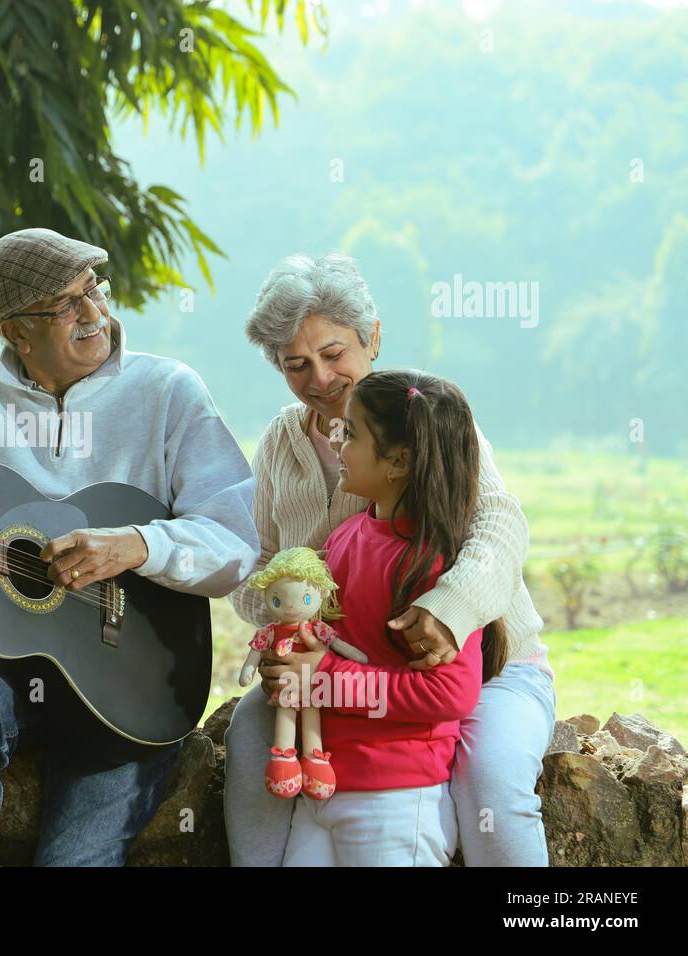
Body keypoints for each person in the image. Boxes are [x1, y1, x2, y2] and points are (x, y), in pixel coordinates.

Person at [0, 227, 260, 866]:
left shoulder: (170, 392)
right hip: (10, 660)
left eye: (94, 290)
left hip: (137, 680)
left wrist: (138, 545)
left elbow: (234, 542)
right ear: (15, 331)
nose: (95, 313)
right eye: (68, 305)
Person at [224, 253, 556, 867]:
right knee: (251, 744)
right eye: (296, 364)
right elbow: (259, 564)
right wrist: (286, 615)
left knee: (491, 789)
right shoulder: (279, 441)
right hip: (340, 671)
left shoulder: (421, 417)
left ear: (372, 337)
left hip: (480, 665)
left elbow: (500, 522)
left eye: (333, 353)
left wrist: (448, 610)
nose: (320, 378)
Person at [258, 369, 504, 865]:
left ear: (399, 461)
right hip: (322, 785)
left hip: (395, 798)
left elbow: (449, 693)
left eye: (350, 433)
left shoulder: (436, 565)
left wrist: (323, 678)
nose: (337, 443)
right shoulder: (346, 537)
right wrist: (284, 665)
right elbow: (321, 639)